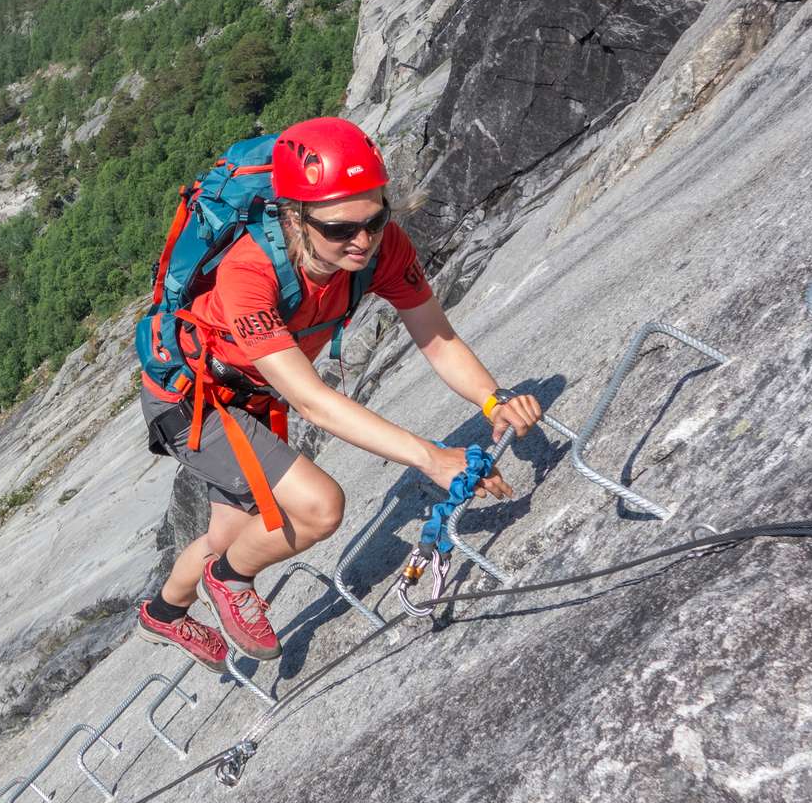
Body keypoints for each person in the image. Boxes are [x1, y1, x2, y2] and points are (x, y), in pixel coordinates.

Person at [135, 116, 543, 667]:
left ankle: (163, 614)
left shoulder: (381, 248)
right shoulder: (249, 272)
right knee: (318, 509)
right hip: (191, 401)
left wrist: (493, 401)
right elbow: (311, 401)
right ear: (296, 219)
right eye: (339, 230)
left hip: (251, 392)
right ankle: (229, 579)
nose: (363, 241)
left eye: (375, 220)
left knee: (231, 533)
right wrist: (430, 458)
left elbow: (439, 339)